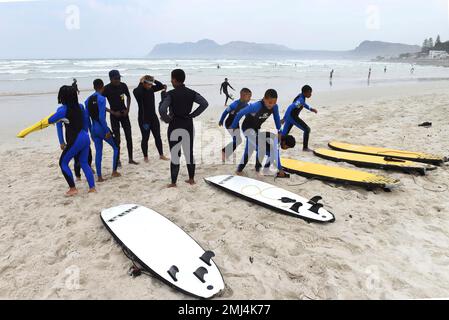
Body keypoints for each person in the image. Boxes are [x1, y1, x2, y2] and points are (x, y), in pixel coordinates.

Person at [159, 69, 209, 188]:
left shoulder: (170, 94)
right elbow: (205, 104)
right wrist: (193, 114)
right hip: (187, 124)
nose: (171, 81)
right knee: (189, 153)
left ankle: (173, 182)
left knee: (175, 154)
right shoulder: (191, 93)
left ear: (175, 80)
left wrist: (167, 119)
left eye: (172, 79)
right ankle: (191, 179)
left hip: (175, 125)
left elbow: (162, 110)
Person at [53, 86, 96, 196]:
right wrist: (86, 135)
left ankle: (73, 188)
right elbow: (86, 122)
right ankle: (92, 188)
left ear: (62, 97)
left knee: (63, 162)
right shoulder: (81, 107)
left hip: (74, 139)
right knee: (84, 162)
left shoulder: (62, 110)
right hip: (85, 137)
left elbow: (57, 126)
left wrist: (61, 142)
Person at [230, 89, 282, 176]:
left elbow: (277, 118)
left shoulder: (275, 107)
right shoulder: (256, 106)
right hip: (247, 128)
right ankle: (257, 169)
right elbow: (239, 114)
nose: (272, 105)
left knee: (249, 149)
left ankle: (240, 170)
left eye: (274, 103)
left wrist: (279, 130)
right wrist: (234, 126)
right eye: (270, 102)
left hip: (256, 129)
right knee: (263, 148)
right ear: (264, 99)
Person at [85, 79, 121, 182]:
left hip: (93, 128)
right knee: (115, 147)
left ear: (94, 87)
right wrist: (107, 131)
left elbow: (87, 118)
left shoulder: (87, 100)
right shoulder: (102, 99)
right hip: (101, 128)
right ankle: (114, 171)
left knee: (98, 152)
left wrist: (90, 131)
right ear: (103, 87)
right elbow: (101, 117)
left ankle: (99, 177)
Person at [103, 70, 138, 166]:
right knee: (117, 139)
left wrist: (128, 109)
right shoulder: (106, 89)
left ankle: (130, 159)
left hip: (124, 114)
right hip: (114, 115)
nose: (118, 80)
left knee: (129, 136)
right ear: (110, 79)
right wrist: (112, 112)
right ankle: (117, 160)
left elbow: (128, 97)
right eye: (116, 78)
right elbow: (100, 103)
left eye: (119, 78)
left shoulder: (123, 85)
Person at [133, 75, 169, 162]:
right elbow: (138, 91)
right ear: (144, 83)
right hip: (144, 119)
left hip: (153, 117)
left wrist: (153, 80)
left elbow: (161, 86)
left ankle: (161, 155)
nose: (150, 86)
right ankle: (145, 157)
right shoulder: (138, 91)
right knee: (145, 138)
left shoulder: (151, 89)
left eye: (151, 84)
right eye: (148, 84)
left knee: (157, 136)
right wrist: (140, 82)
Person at [281, 85, 318, 152]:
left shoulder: (301, 96)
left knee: (283, 135)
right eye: (309, 93)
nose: (310, 94)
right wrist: (284, 118)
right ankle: (305, 148)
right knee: (307, 129)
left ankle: (280, 145)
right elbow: (291, 107)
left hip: (290, 117)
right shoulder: (300, 99)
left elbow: (303, 104)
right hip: (292, 117)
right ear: (305, 92)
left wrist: (310, 109)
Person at [218, 88, 252, 161]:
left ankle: (225, 152)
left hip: (236, 124)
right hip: (229, 123)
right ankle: (224, 152)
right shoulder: (234, 104)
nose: (250, 98)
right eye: (249, 96)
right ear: (242, 96)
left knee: (238, 140)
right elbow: (225, 112)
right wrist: (221, 120)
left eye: (250, 96)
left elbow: (247, 116)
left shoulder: (246, 105)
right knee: (237, 140)